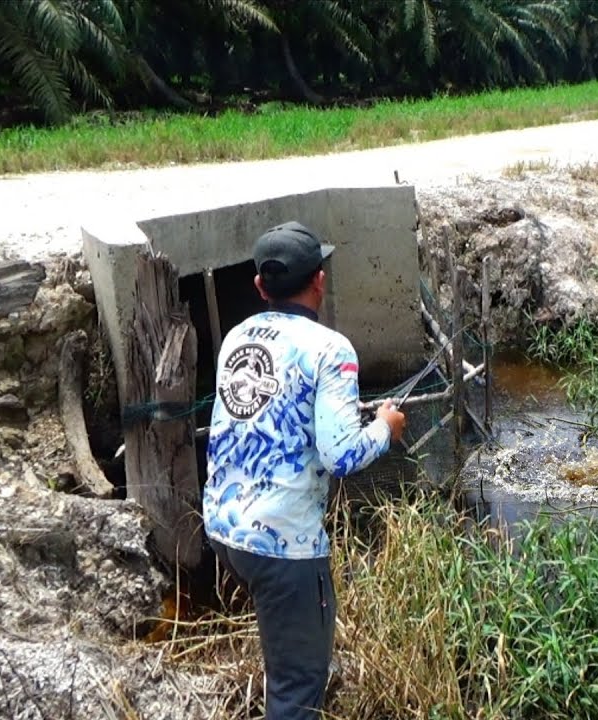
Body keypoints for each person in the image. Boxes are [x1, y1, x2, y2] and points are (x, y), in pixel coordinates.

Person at [202, 220, 406, 719]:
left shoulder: (236, 337)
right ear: (320, 280)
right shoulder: (331, 349)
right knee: (297, 691)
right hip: (284, 545)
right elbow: (342, 456)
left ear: (259, 286)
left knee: (291, 661)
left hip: (224, 529)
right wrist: (385, 428)